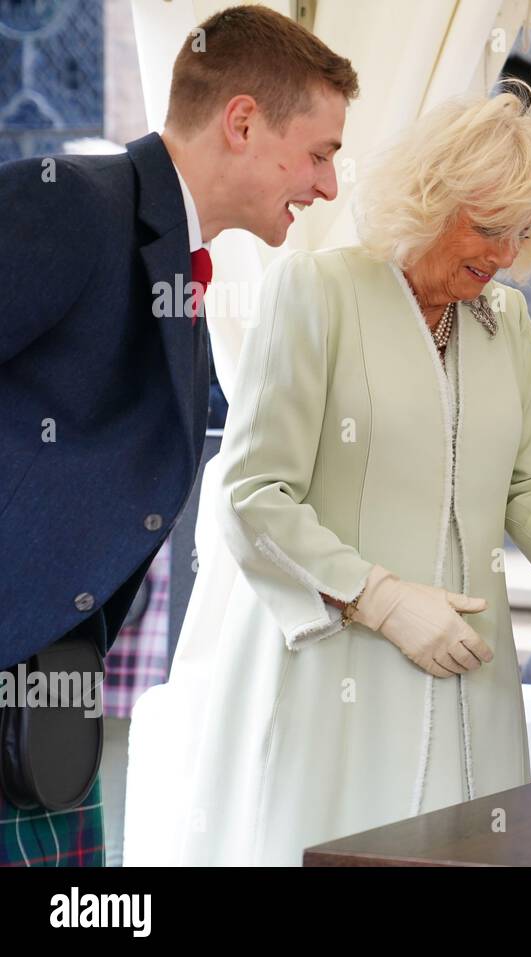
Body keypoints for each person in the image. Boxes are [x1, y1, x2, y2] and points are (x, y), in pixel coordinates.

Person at [124, 83, 531, 866]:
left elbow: (526, 483)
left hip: (472, 679)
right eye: (488, 227)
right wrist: (381, 598)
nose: (502, 255)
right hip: (335, 674)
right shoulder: (319, 292)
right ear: (432, 196)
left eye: (519, 233)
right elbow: (253, 493)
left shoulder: (507, 321)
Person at [0, 4, 357, 866]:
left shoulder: (176, 261)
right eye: (319, 152)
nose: (328, 186)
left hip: (46, 693)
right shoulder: (72, 206)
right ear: (242, 121)